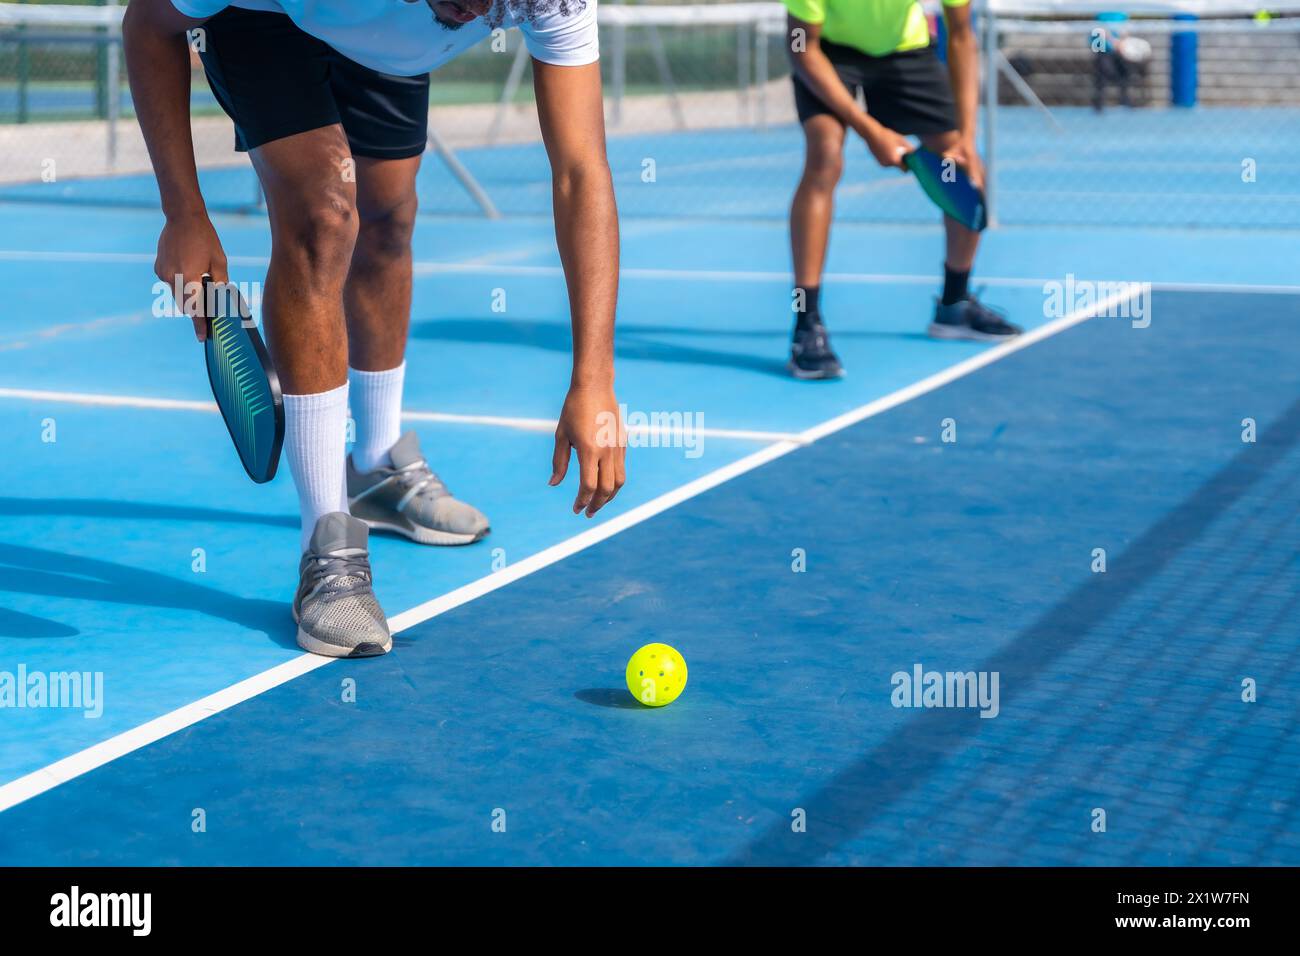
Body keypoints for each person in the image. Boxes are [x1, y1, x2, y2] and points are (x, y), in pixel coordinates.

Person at [123, 0, 625, 657]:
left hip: (387, 50)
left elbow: (581, 170)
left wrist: (594, 378)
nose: (474, 11)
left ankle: (378, 466)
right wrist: (183, 211)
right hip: (265, 23)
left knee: (387, 218)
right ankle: (325, 545)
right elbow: (149, 22)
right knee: (325, 215)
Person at [782, 0, 1021, 380]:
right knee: (825, 155)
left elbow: (960, 34)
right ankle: (806, 322)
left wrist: (967, 137)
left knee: (961, 166)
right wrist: (871, 131)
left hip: (905, 52)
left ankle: (954, 303)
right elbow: (800, 46)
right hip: (825, 54)